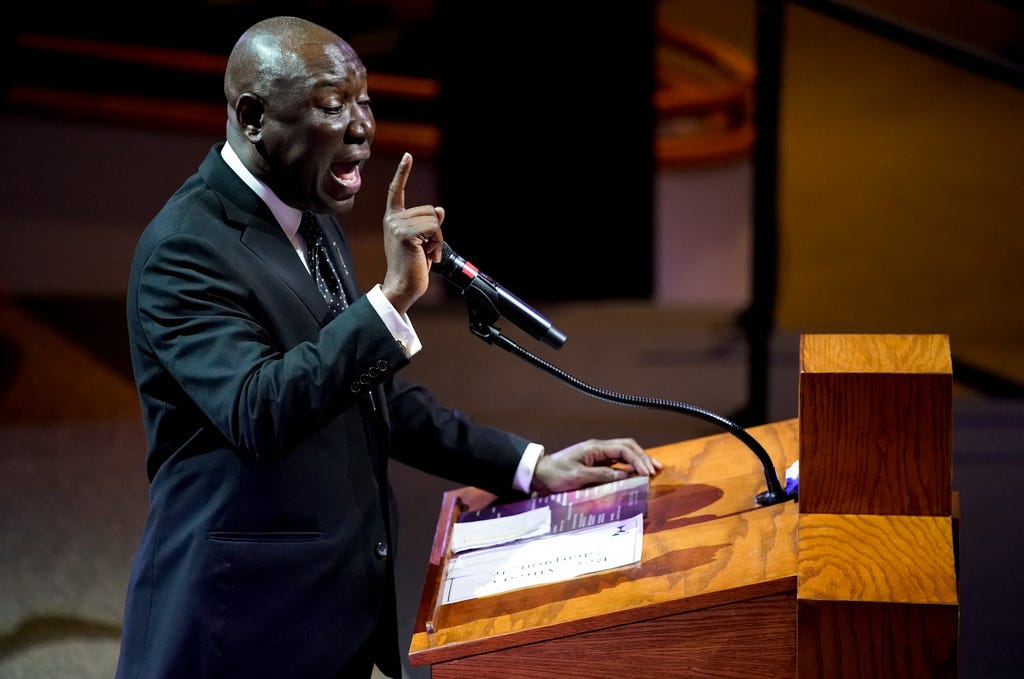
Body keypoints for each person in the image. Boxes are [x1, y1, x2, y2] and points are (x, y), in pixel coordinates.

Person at [115, 15, 662, 679]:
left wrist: (529, 465)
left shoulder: (309, 218)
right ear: (253, 117)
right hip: (237, 629)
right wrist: (388, 302)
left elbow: (365, 397)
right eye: (330, 104)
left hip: (328, 617)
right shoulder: (186, 249)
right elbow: (259, 409)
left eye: (364, 100)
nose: (361, 126)